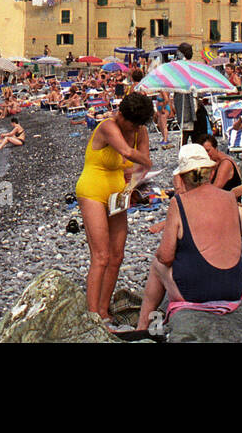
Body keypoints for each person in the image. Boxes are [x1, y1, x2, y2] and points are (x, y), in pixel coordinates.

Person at [135, 144, 242, 332]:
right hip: (233, 289)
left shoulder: (179, 203)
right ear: (210, 172)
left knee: (157, 265)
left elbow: (166, 256)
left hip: (198, 293)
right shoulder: (229, 198)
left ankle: (143, 328)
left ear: (183, 176)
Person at [74, 91, 155, 328]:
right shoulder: (108, 126)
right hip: (92, 190)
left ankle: (103, 308)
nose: (126, 122)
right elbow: (131, 154)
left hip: (118, 193)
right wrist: (143, 163)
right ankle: (92, 315)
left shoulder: (140, 130)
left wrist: (134, 185)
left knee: (117, 255)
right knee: (101, 256)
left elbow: (141, 163)